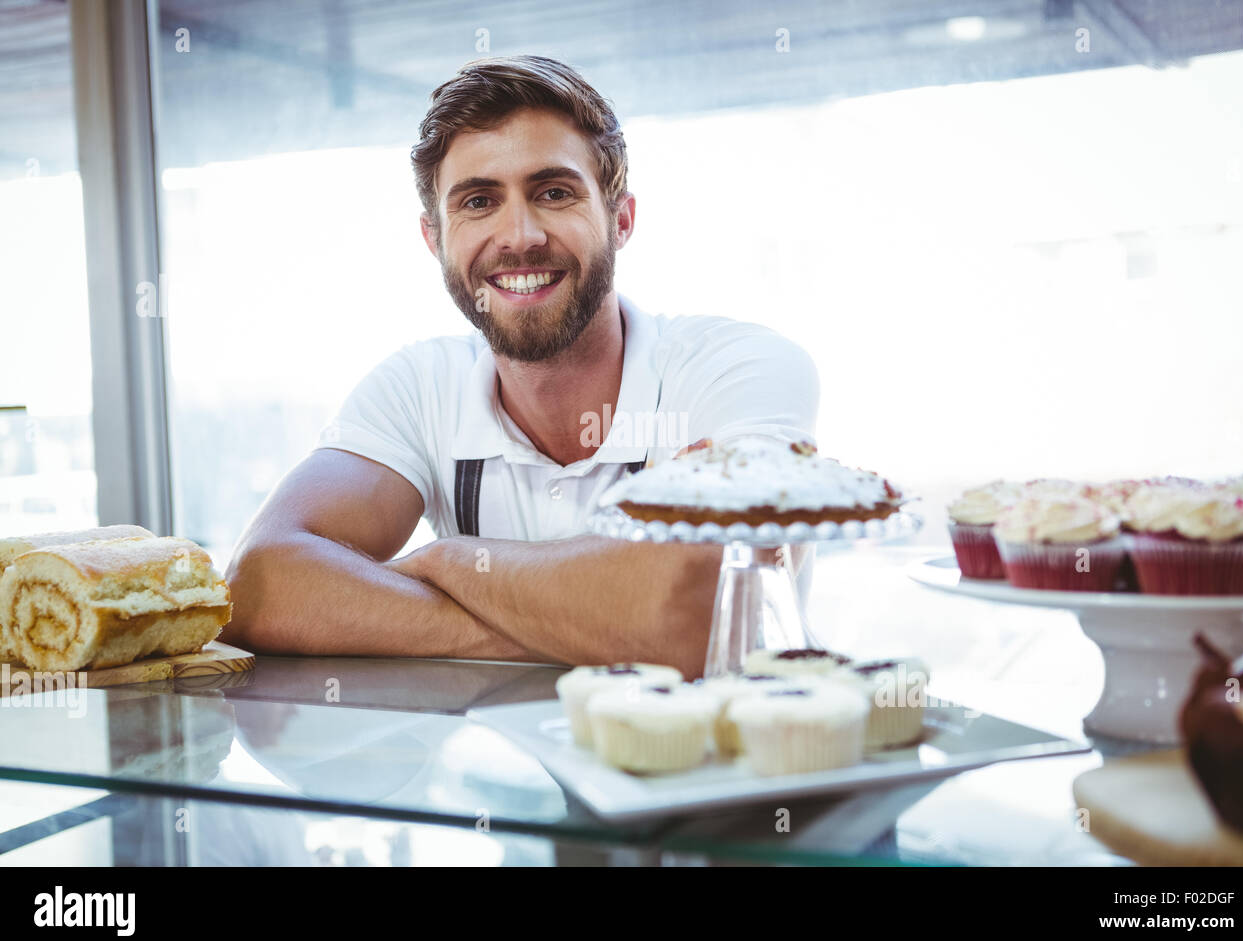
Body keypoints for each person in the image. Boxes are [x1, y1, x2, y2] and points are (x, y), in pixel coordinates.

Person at [223, 55, 818, 678]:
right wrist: (599, 622)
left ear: (621, 220)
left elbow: (701, 610)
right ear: (436, 239)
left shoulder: (739, 368)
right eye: (479, 201)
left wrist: (447, 561)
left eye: (554, 193)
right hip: (495, 773)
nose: (519, 235)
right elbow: (261, 581)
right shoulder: (418, 388)